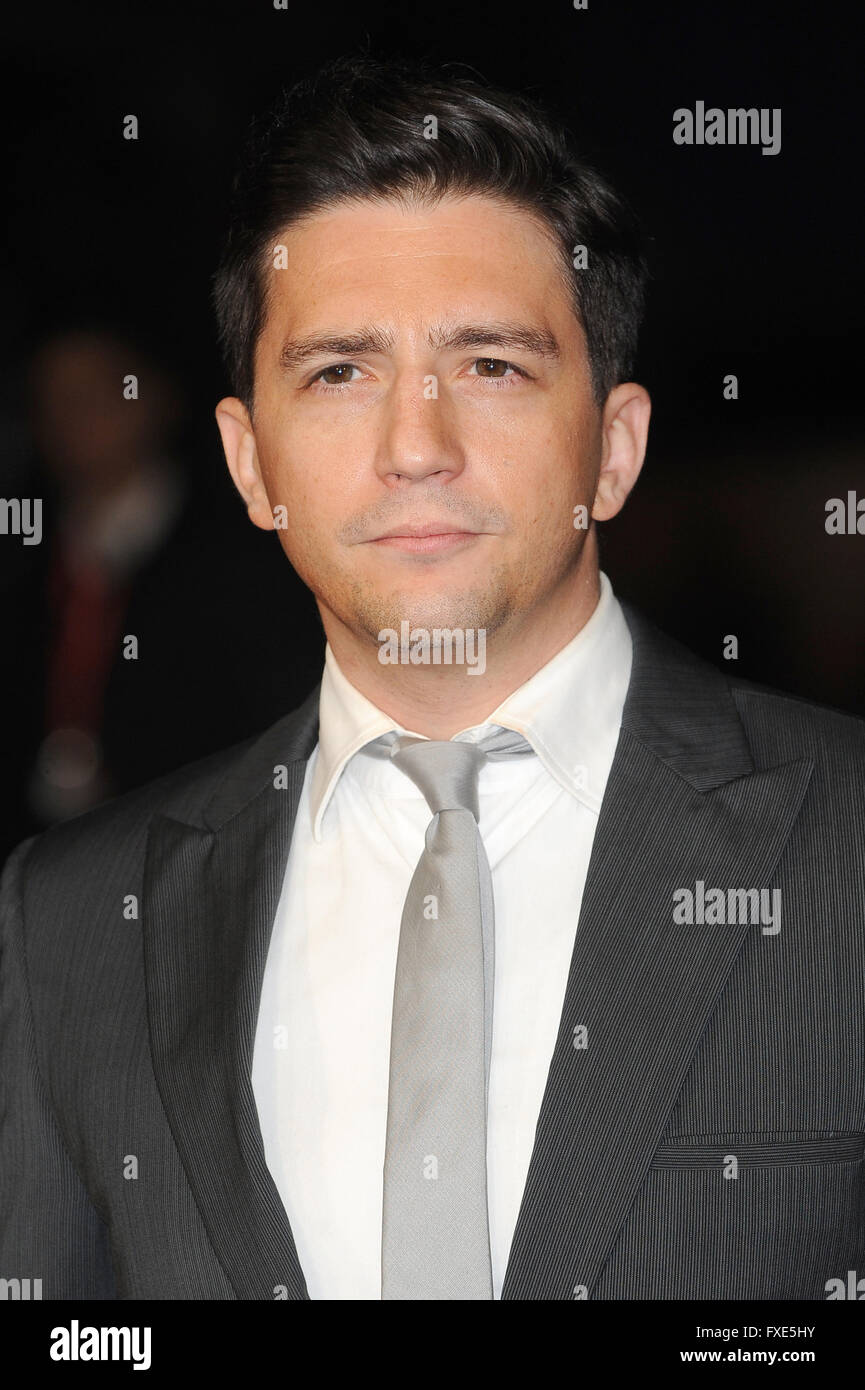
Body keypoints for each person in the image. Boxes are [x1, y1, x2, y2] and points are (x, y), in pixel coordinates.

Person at [1, 55, 862, 1303]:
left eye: (491, 367)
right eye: (340, 371)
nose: (416, 445)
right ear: (250, 463)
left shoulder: (840, 844)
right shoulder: (65, 924)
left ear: (613, 450)